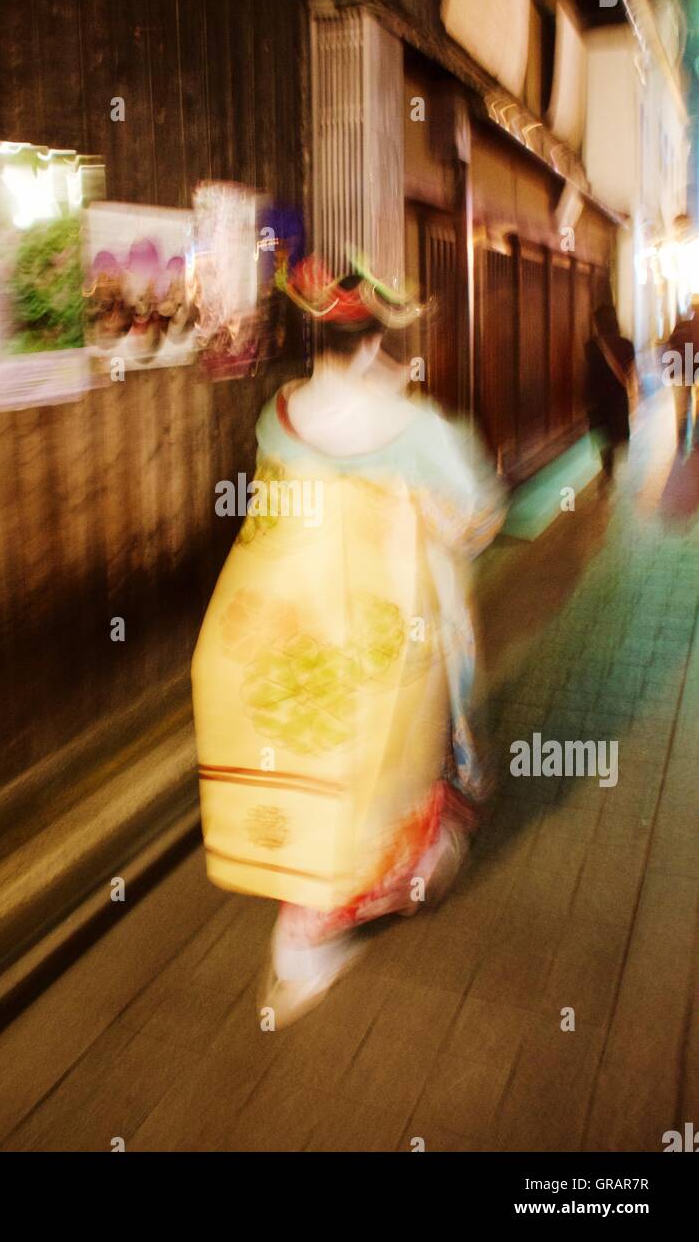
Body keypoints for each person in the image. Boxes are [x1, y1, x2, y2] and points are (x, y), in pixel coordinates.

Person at [191, 260, 505, 1026]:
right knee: (394, 769)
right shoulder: (414, 427)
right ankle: (377, 891)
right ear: (372, 347)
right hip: (380, 638)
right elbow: (476, 516)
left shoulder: (282, 413)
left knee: (317, 774)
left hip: (291, 634)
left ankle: (301, 936)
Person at [585, 303, 636, 486]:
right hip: (617, 397)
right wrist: (634, 395)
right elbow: (630, 373)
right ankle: (609, 467)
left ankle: (607, 467)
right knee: (615, 431)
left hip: (596, 397)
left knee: (602, 431)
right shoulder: (627, 345)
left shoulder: (591, 345)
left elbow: (589, 371)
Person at [666, 299, 698, 455]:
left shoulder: (681, 326)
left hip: (679, 372)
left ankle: (681, 442)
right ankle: (696, 441)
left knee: (681, 411)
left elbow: (670, 346)